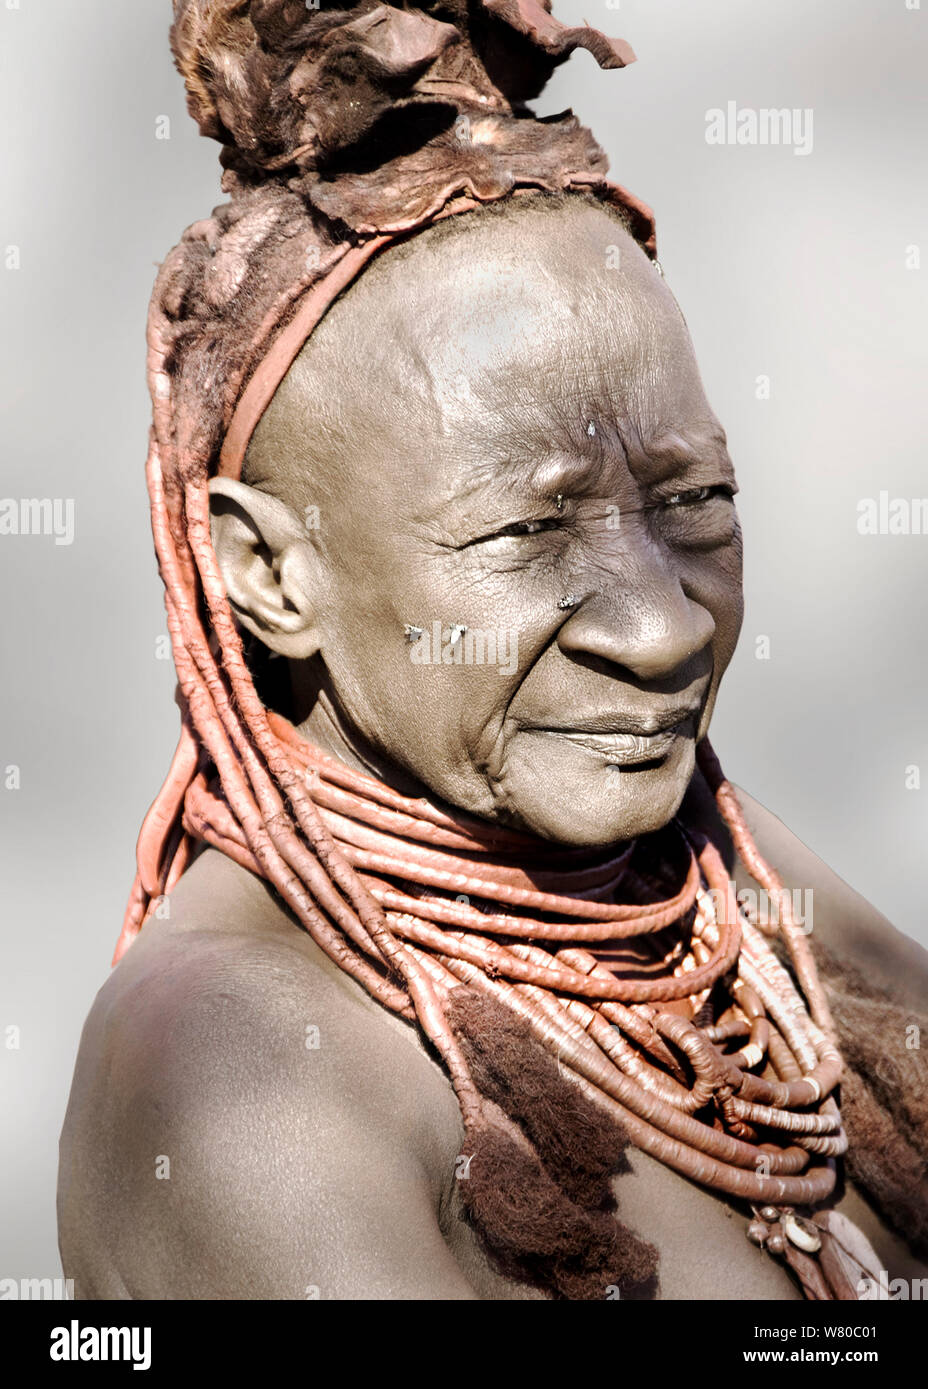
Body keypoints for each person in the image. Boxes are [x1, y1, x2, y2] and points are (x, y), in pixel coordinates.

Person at [58, 0, 928, 1300]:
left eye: (693, 503)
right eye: (528, 528)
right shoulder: (233, 1065)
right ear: (273, 575)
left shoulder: (699, 870)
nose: (664, 626)